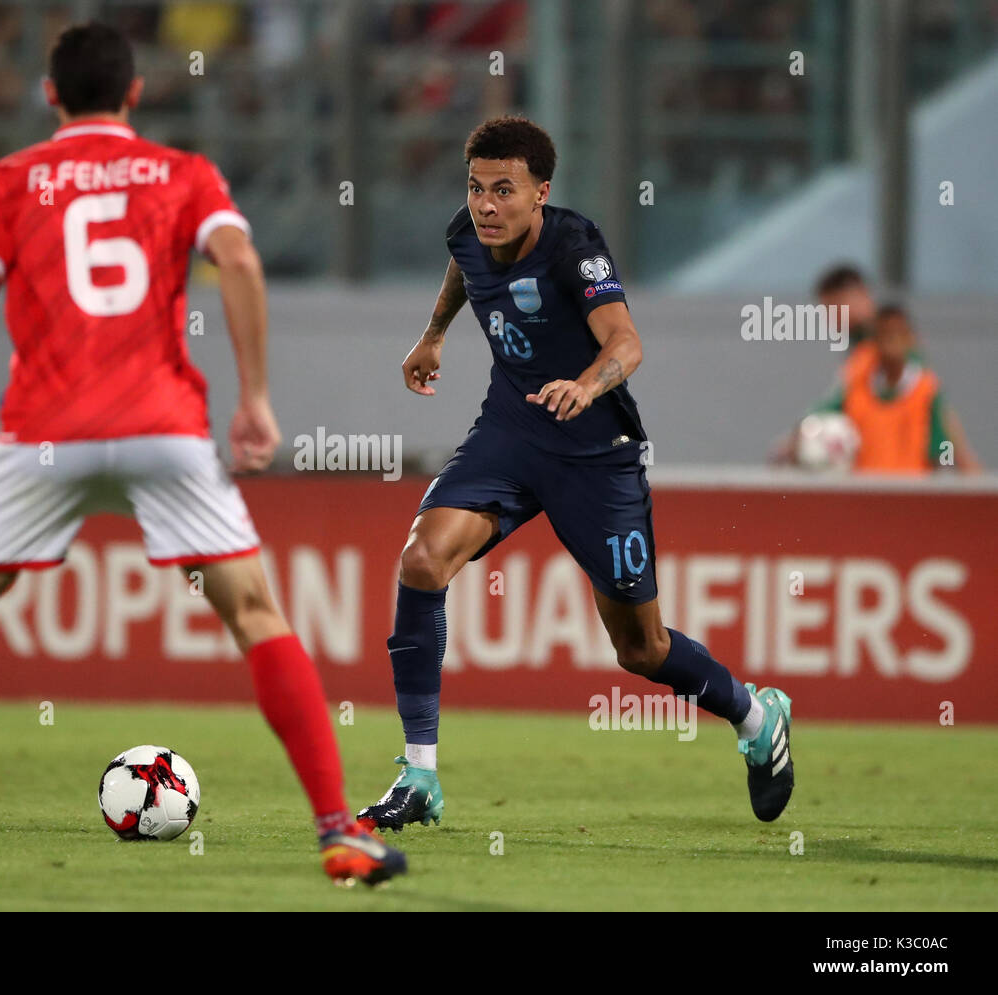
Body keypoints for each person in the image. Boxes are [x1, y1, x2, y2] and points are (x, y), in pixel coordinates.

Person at [0, 22, 404, 888]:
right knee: (256, 613)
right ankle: (341, 834)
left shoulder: (5, 182)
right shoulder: (184, 173)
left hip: (44, 434)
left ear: (49, 94)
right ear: (136, 93)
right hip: (163, 426)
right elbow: (239, 260)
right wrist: (257, 398)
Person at [358, 116, 794, 831]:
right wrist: (433, 334)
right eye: (475, 188)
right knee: (420, 561)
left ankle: (753, 714)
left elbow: (626, 341)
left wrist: (587, 386)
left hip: (596, 451)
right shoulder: (468, 231)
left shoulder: (573, 245)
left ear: (540, 194)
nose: (486, 205)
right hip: (510, 431)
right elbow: (463, 263)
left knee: (641, 649)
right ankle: (420, 775)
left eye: (504, 190)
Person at [811, 304, 982, 474]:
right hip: (864, 494)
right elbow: (816, 421)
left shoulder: (926, 391)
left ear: (910, 338)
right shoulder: (855, 387)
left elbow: (946, 449)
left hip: (912, 495)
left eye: (899, 333)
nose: (892, 341)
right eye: (885, 334)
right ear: (874, 341)